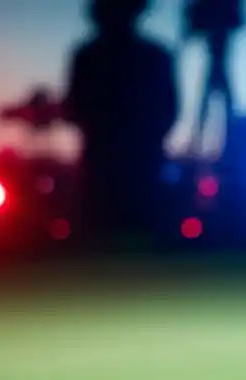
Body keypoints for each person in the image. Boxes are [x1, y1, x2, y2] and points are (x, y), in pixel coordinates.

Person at [65, 0, 179, 241]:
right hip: (105, 152)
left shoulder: (153, 56)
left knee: (140, 218)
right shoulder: (88, 56)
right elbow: (76, 103)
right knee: (101, 219)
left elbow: (169, 106)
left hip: (139, 152)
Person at [184, 0, 244, 155]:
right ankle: (230, 142)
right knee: (221, 102)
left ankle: (230, 143)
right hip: (216, 61)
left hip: (217, 60)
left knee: (213, 103)